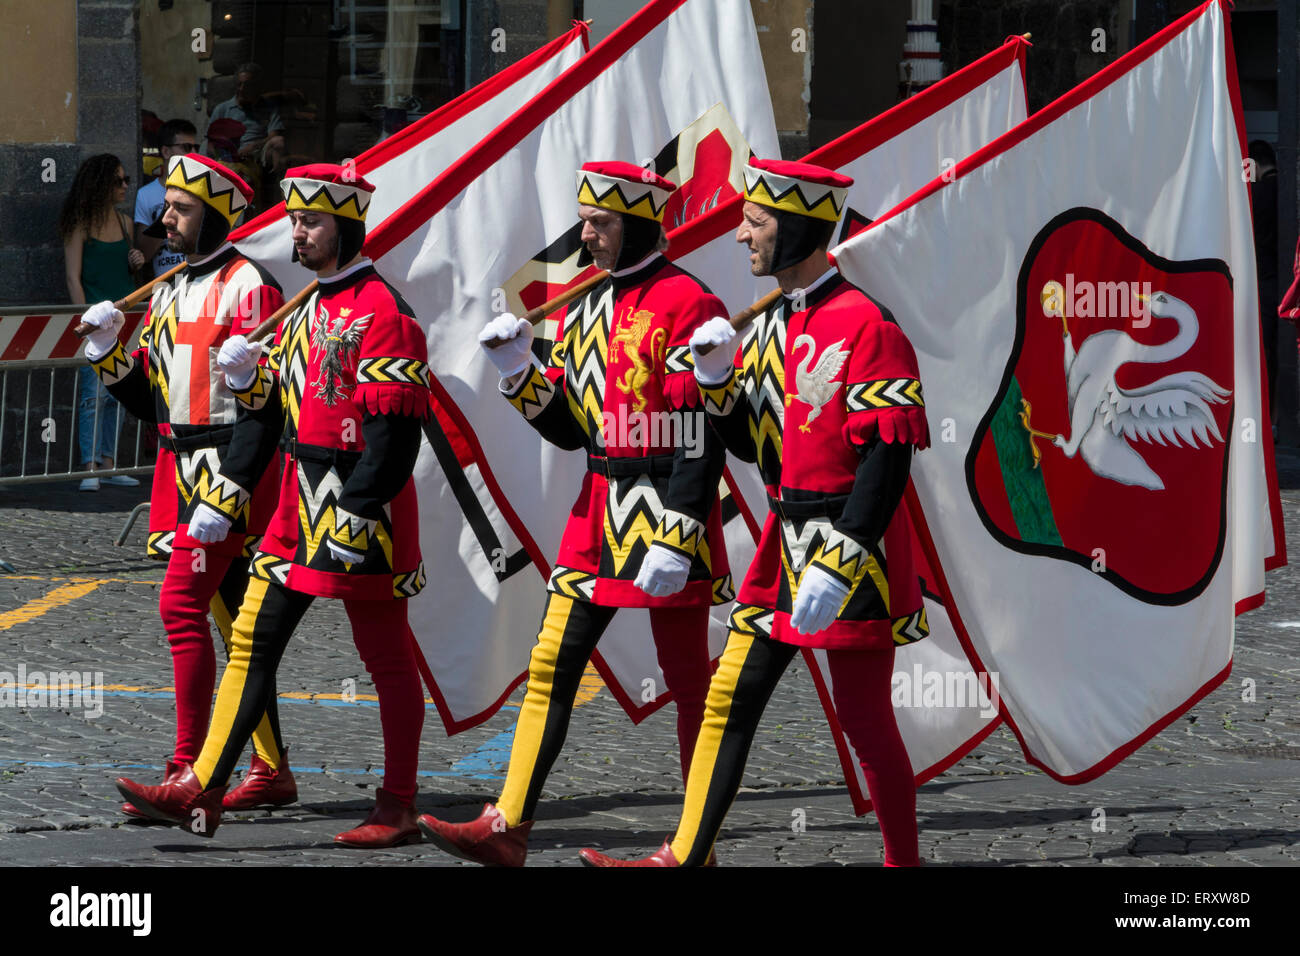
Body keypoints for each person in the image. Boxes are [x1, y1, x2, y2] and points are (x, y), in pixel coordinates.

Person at [580, 159, 930, 867]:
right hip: (781, 542)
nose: (742, 235)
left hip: (848, 546)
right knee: (727, 701)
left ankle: (903, 862)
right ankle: (685, 856)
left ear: (800, 225)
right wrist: (716, 383)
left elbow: (888, 458)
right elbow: (750, 444)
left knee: (864, 721)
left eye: (757, 222)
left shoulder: (869, 325)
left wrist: (845, 553)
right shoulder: (768, 324)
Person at [416, 161, 733, 866]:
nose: (586, 235)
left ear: (642, 223)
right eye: (586, 220)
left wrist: (680, 530)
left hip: (668, 515)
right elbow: (572, 429)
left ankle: (696, 846)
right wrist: (519, 375)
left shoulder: (690, 303)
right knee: (553, 662)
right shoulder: (586, 303)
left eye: (603, 223)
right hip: (598, 512)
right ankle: (508, 824)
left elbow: (700, 429)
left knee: (689, 681)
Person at [116, 163, 431, 848]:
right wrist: (247, 389)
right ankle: (199, 791)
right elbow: (271, 416)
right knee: (252, 643)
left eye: (311, 222)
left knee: (384, 656)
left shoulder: (385, 312)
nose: (298, 233)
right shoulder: (305, 308)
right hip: (294, 507)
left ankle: (398, 802)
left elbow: (395, 434)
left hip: (360, 509)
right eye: (294, 220)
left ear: (345, 225)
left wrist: (358, 510)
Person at [79, 153, 296, 818]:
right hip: (181, 470)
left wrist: (230, 489)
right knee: (235, 626)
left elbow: (267, 404)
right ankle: (270, 768)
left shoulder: (251, 287)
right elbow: (156, 401)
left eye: (180, 208)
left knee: (181, 608)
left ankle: (186, 768)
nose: (162, 217)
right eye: (166, 205)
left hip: (229, 471)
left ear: (219, 214)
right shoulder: (170, 286)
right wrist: (111, 355)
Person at [59, 154, 146, 491]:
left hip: (124, 321)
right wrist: (85, 323)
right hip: (95, 323)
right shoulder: (79, 224)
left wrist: (136, 262)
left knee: (118, 395)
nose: (125, 186)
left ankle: (108, 463)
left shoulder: (124, 224)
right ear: (100, 186)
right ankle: (90, 465)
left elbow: (127, 272)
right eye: (118, 181)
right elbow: (72, 277)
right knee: (93, 396)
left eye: (125, 180)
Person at [134, 119, 197, 281]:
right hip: (165, 284)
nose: (194, 154)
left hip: (197, 279)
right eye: (186, 147)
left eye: (196, 147)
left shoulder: (200, 191)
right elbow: (144, 255)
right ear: (166, 152)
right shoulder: (146, 194)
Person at [208, 63, 286, 176]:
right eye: (239, 84)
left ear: (257, 88)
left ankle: (279, 188)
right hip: (229, 155)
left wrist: (253, 147)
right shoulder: (222, 109)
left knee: (279, 142)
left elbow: (274, 135)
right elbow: (211, 141)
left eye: (247, 85)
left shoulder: (268, 108)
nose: (242, 89)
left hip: (257, 153)